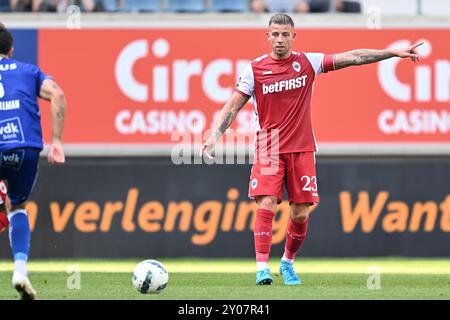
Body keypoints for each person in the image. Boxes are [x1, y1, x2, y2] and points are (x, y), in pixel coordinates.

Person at [201, 13, 421, 285]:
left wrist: (392, 53)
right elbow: (233, 106)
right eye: (275, 34)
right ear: (267, 36)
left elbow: (353, 57)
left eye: (285, 34)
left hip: (302, 147)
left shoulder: (307, 62)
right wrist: (215, 135)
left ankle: (287, 263)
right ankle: (261, 269)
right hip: (269, 146)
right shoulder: (254, 69)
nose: (280, 39)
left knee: (301, 212)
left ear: (294, 36)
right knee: (266, 203)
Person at [0, 23, 67, 299]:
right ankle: (20, 270)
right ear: (11, 51)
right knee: (18, 207)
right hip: (24, 147)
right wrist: (57, 142)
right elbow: (58, 95)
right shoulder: (29, 72)